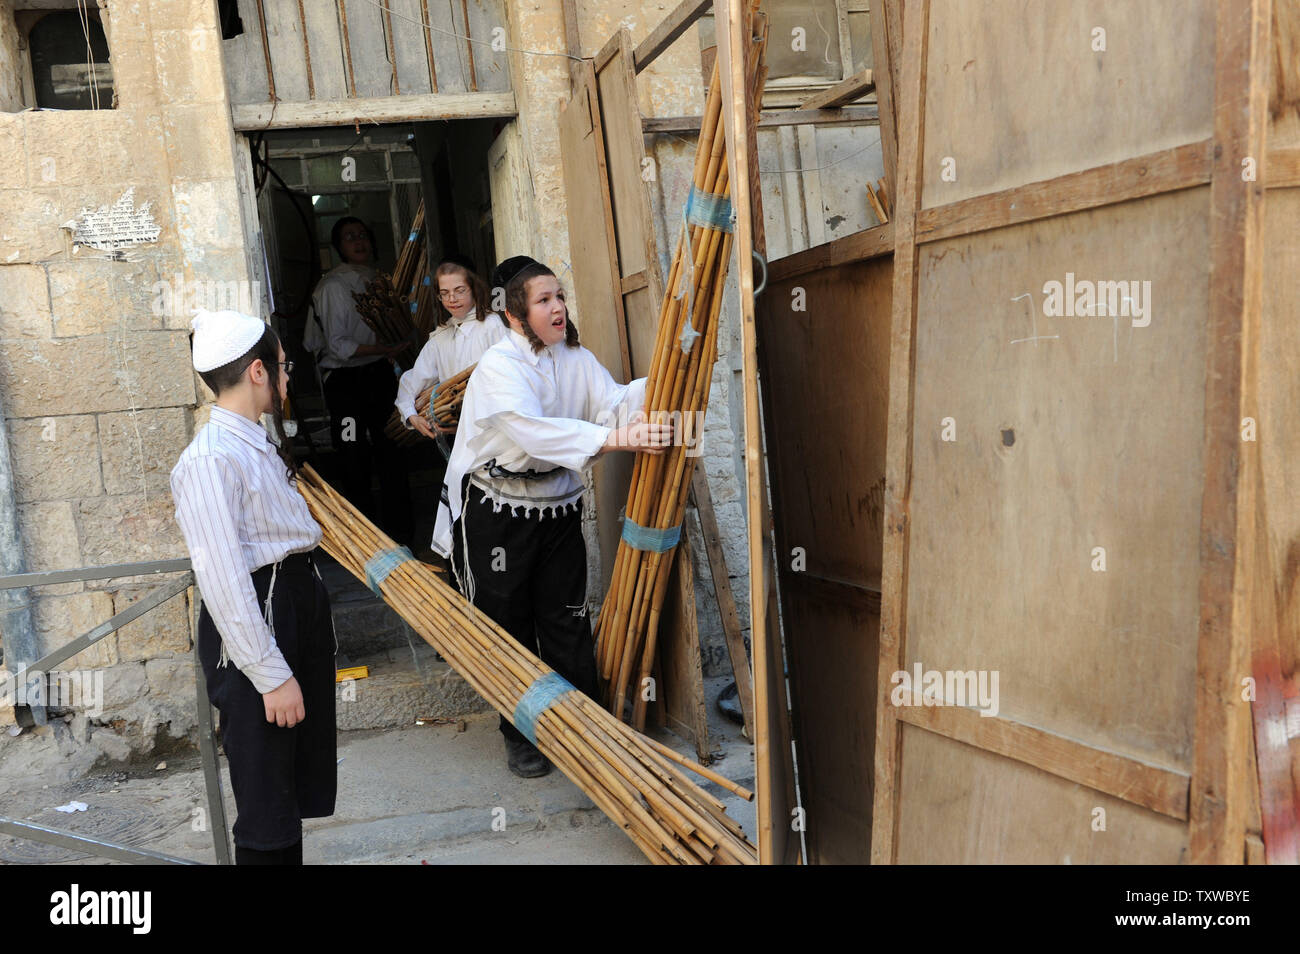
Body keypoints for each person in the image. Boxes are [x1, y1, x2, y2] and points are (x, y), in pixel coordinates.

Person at [433, 259, 673, 777]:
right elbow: (533, 432)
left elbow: (613, 402)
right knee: (508, 625)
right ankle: (519, 736)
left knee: (566, 617)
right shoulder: (500, 367)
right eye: (544, 300)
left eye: (560, 297)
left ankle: (583, 729)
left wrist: (670, 374)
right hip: (496, 514)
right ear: (515, 313)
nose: (558, 307)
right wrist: (617, 440)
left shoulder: (575, 358)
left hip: (558, 508)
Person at [170, 309, 337, 865]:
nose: (290, 379)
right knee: (266, 799)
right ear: (260, 371)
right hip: (257, 619)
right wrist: (269, 675)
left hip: (289, 603)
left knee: (290, 784)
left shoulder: (255, 442)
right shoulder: (210, 459)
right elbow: (221, 580)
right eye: (285, 367)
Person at [309, 216, 413, 544]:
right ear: (338, 247)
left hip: (379, 374)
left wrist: (391, 351)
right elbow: (338, 346)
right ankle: (365, 539)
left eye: (363, 235)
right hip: (346, 383)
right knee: (353, 454)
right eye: (349, 237)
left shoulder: (379, 279)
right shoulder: (333, 286)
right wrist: (386, 348)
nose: (358, 241)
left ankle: (401, 534)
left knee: (391, 448)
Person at [395, 255, 507, 444]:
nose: (452, 299)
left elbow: (508, 381)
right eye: (444, 293)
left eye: (459, 290)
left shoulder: (492, 326)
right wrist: (410, 415)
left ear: (474, 289)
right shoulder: (441, 336)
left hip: (496, 432)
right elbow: (411, 381)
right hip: (457, 436)